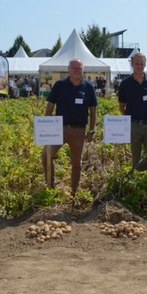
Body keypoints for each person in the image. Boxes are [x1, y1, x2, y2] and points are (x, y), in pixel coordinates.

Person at [44, 59, 98, 194]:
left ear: (83, 70)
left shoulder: (88, 87)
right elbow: (50, 107)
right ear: (68, 69)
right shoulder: (59, 85)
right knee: (46, 155)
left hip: (79, 131)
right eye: (74, 68)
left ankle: (74, 192)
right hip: (59, 129)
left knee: (76, 163)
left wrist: (91, 130)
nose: (76, 71)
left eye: (79, 68)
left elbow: (93, 111)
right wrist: (46, 126)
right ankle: (51, 186)